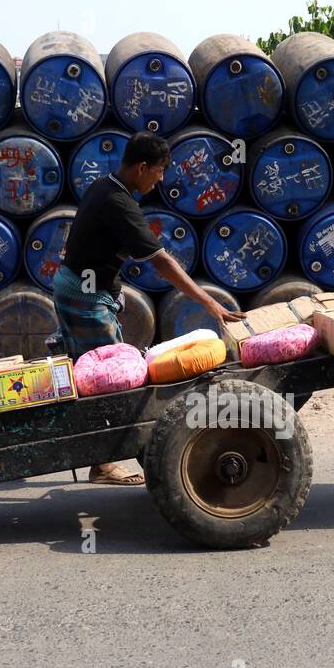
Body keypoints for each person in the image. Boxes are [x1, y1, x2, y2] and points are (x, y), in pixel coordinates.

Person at [50, 131, 246, 486]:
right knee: (111, 383)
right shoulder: (118, 202)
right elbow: (162, 262)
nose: (160, 180)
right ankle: (103, 464)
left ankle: (106, 457)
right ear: (142, 167)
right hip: (84, 296)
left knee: (107, 374)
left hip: (84, 288)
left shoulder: (106, 187)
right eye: (158, 172)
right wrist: (209, 302)